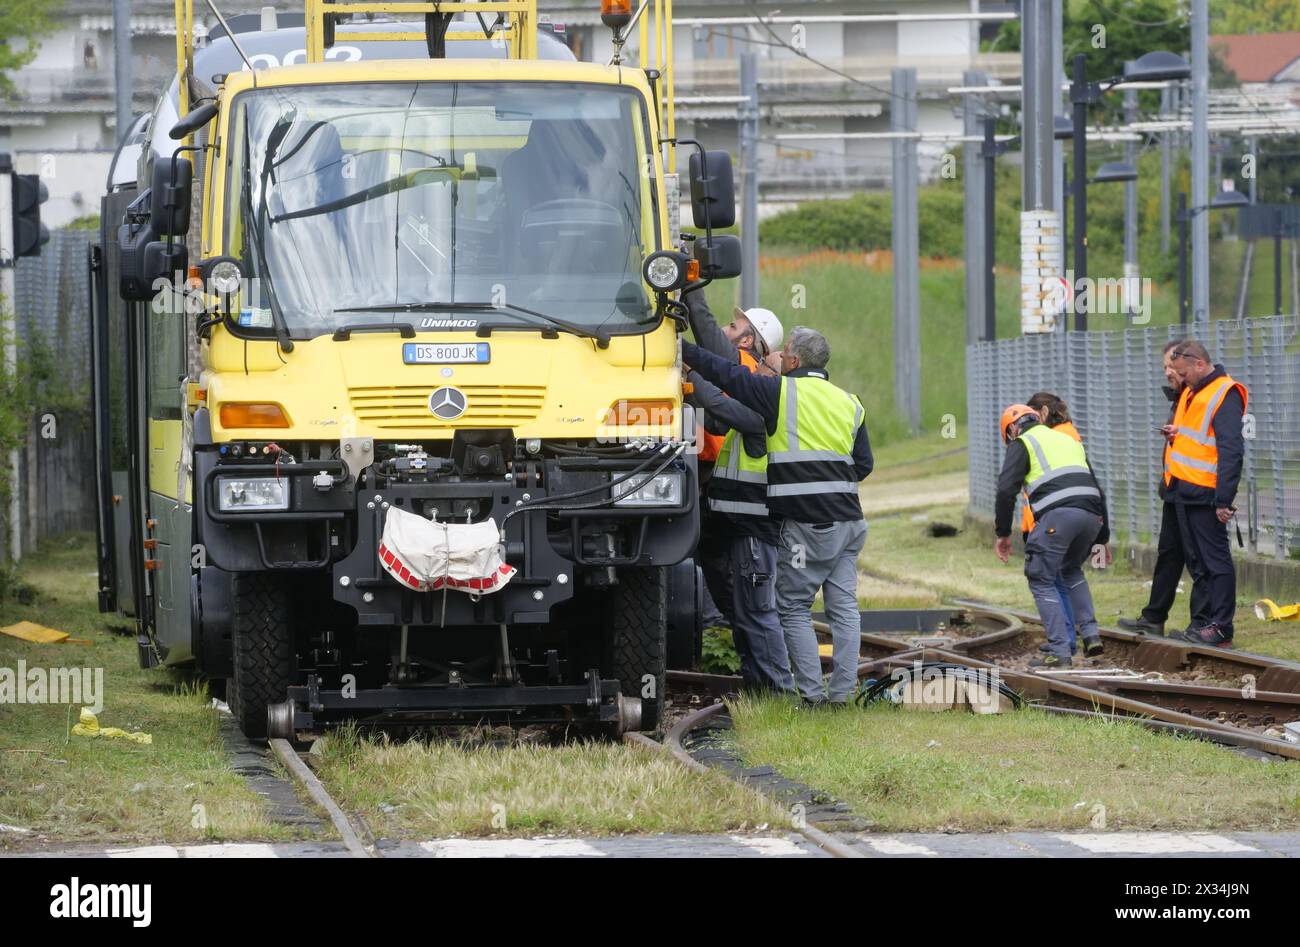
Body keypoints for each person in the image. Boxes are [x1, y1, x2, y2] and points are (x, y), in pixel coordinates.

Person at [681, 327, 873, 706]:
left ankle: (813, 698)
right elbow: (863, 463)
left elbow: (727, 374)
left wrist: (683, 349)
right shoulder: (850, 401)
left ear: (795, 361)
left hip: (809, 526)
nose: (781, 360)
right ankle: (841, 696)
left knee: (793, 607)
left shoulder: (779, 392)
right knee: (844, 610)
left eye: (785, 355)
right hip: (850, 523)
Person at [680, 288, 792, 692]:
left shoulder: (746, 371)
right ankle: (760, 683)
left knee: (757, 609)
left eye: (735, 326)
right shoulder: (758, 380)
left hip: (748, 515)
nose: (728, 331)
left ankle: (777, 691)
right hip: (730, 505)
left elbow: (719, 387)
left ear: (749, 342)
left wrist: (690, 293)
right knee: (746, 605)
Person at [994, 404, 1109, 667]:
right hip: (1091, 515)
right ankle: (1091, 636)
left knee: (1040, 577)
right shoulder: (1068, 440)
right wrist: (1102, 535)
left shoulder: (1021, 442)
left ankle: (1059, 651)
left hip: (1059, 516)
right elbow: (1097, 487)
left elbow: (1005, 490)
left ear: (1012, 429)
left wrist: (1002, 533)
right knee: (1070, 569)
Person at [1160, 341, 1248, 648]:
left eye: (1184, 372)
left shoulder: (1225, 392)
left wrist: (1224, 499)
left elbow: (1231, 449)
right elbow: (1200, 439)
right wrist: (1176, 435)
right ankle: (1205, 623)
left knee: (1216, 561)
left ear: (1199, 364)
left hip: (1206, 493)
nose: (1181, 378)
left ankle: (1222, 626)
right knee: (1200, 563)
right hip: (1186, 489)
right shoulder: (1195, 391)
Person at [1117, 339, 1202, 637]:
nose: (1167, 371)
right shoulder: (1180, 398)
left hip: (1195, 490)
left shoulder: (1197, 396)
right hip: (1174, 488)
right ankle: (1153, 617)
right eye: (1165, 366)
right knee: (1169, 553)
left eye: (1171, 365)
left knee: (1197, 558)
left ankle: (1202, 625)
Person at [1022, 392, 1084, 656]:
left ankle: (1065, 640)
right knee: (1060, 578)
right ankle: (1068, 638)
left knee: (1054, 579)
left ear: (1043, 413)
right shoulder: (1065, 433)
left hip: (1055, 519)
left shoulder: (1060, 436)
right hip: (1054, 517)